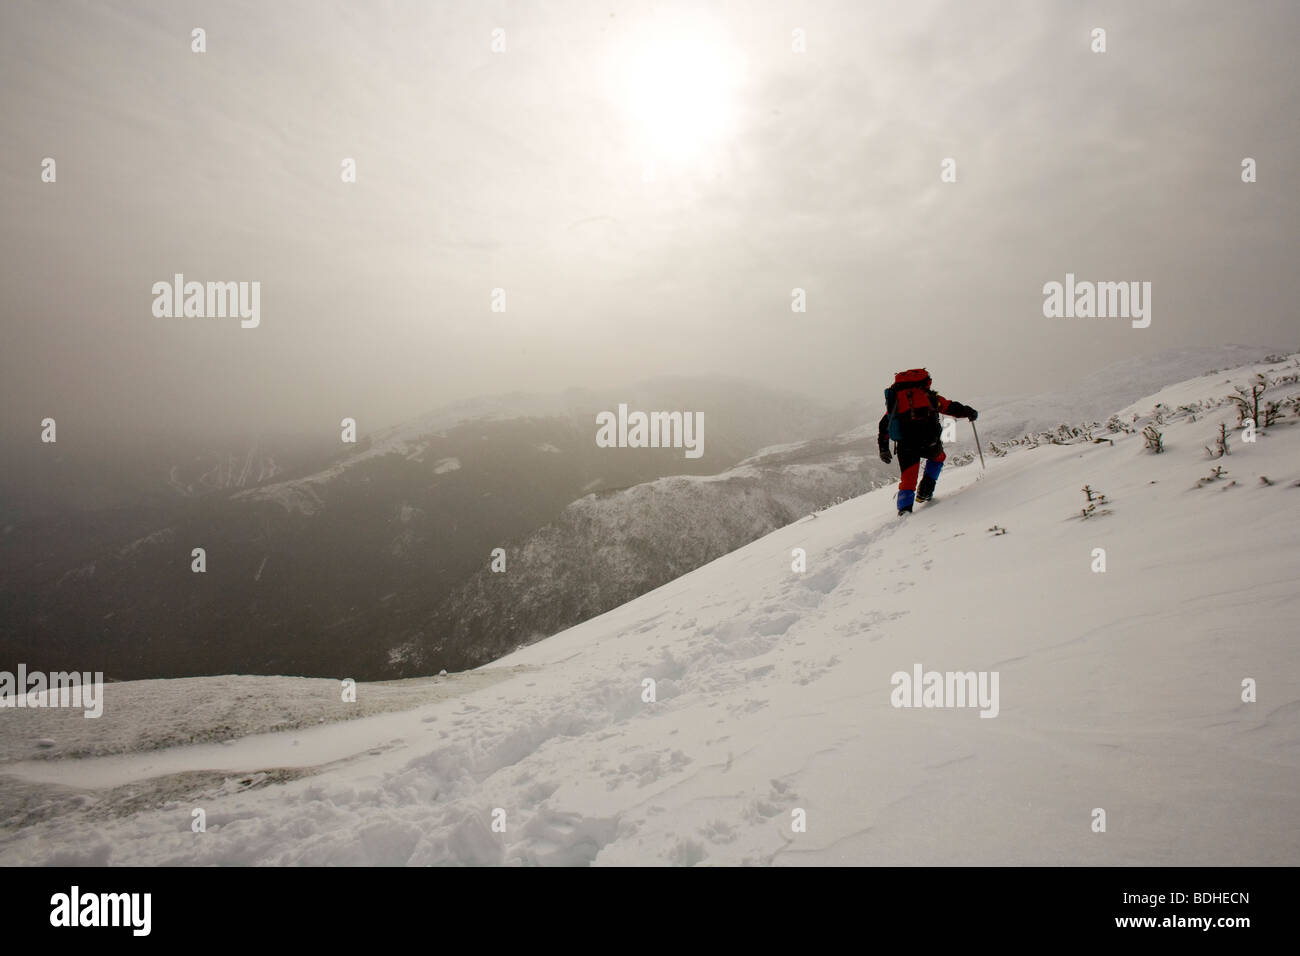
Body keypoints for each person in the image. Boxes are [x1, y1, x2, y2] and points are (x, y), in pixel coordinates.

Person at [877, 368, 977, 515]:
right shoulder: (930, 397)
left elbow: (885, 424)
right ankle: (925, 491)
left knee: (908, 479)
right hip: (929, 441)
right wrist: (969, 412)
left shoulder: (897, 402)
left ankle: (904, 511)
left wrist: (883, 448)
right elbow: (951, 407)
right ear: (926, 382)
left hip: (906, 445)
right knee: (938, 458)